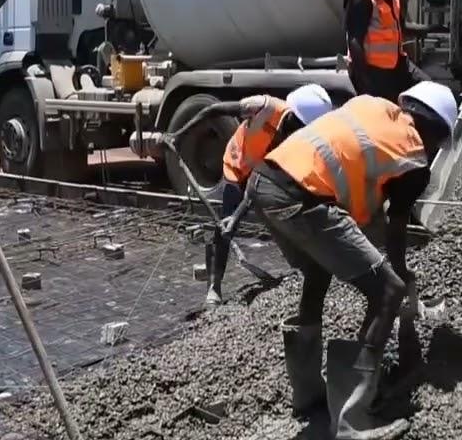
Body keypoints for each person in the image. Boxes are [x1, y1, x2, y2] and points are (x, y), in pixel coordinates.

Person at [248, 81, 456, 438]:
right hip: (302, 197)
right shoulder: (415, 156)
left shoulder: (372, 105)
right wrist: (401, 277)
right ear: (435, 131)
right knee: (387, 292)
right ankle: (353, 420)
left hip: (263, 183)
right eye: (438, 141)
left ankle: (307, 393)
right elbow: (395, 229)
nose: (435, 149)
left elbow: (355, 183)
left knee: (318, 273)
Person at [139, 84, 335, 307]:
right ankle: (214, 286)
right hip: (236, 167)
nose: (302, 134)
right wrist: (180, 134)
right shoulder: (264, 107)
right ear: (294, 116)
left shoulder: (298, 141)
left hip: (260, 178)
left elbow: (257, 184)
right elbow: (212, 111)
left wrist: (239, 217)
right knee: (223, 228)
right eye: (301, 127)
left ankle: (303, 270)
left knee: (282, 219)